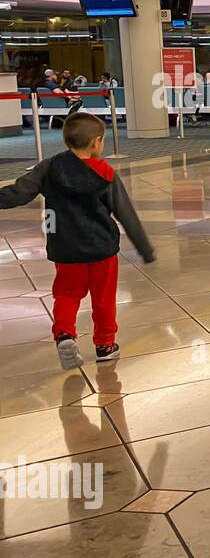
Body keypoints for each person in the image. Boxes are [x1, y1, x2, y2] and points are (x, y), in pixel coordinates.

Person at [0, 112, 154, 368]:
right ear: (96, 142)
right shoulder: (105, 172)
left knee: (67, 294)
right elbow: (126, 213)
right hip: (101, 248)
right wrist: (145, 248)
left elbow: (19, 193)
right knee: (103, 298)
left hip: (65, 247)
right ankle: (105, 344)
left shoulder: (48, 167)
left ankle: (64, 334)